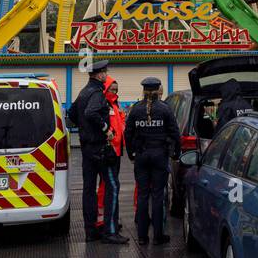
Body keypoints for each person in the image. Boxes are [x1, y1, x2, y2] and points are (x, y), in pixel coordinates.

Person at [69, 60, 127, 244]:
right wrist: (105, 129)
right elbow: (91, 112)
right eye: (104, 72)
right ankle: (110, 231)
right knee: (112, 186)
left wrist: (85, 129)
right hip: (101, 149)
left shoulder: (83, 92)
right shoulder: (97, 93)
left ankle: (90, 231)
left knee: (89, 189)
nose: (106, 75)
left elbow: (71, 115)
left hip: (86, 148)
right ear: (100, 75)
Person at [125, 77, 181, 246]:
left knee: (143, 195)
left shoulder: (135, 109)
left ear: (144, 91)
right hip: (159, 155)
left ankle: (142, 236)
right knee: (157, 196)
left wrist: (131, 154)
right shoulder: (165, 109)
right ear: (158, 91)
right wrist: (176, 152)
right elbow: (175, 133)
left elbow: (128, 133)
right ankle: (158, 235)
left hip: (141, 156)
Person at [96, 77, 126, 234]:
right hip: (109, 152)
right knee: (108, 186)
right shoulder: (103, 105)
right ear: (105, 90)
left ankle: (110, 218)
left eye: (116, 90)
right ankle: (104, 222)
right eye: (111, 89)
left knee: (109, 186)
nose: (114, 92)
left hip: (117, 152)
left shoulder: (115, 105)